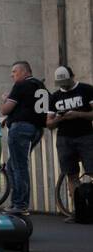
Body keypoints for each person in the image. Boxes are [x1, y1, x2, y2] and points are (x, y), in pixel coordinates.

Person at [0, 60, 46, 215]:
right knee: (13, 165)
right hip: (37, 129)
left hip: (21, 129)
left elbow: (5, 109)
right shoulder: (41, 86)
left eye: (14, 72)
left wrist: (6, 99)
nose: (12, 75)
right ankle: (17, 202)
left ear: (25, 72)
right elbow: (30, 107)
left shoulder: (21, 86)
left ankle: (20, 204)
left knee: (18, 166)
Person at [47, 65, 93, 221]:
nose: (64, 85)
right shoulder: (54, 97)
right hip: (64, 138)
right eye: (61, 83)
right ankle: (78, 211)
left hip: (86, 136)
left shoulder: (86, 90)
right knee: (71, 175)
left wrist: (77, 114)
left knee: (91, 170)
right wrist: (61, 118)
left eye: (66, 81)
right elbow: (49, 124)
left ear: (73, 77)